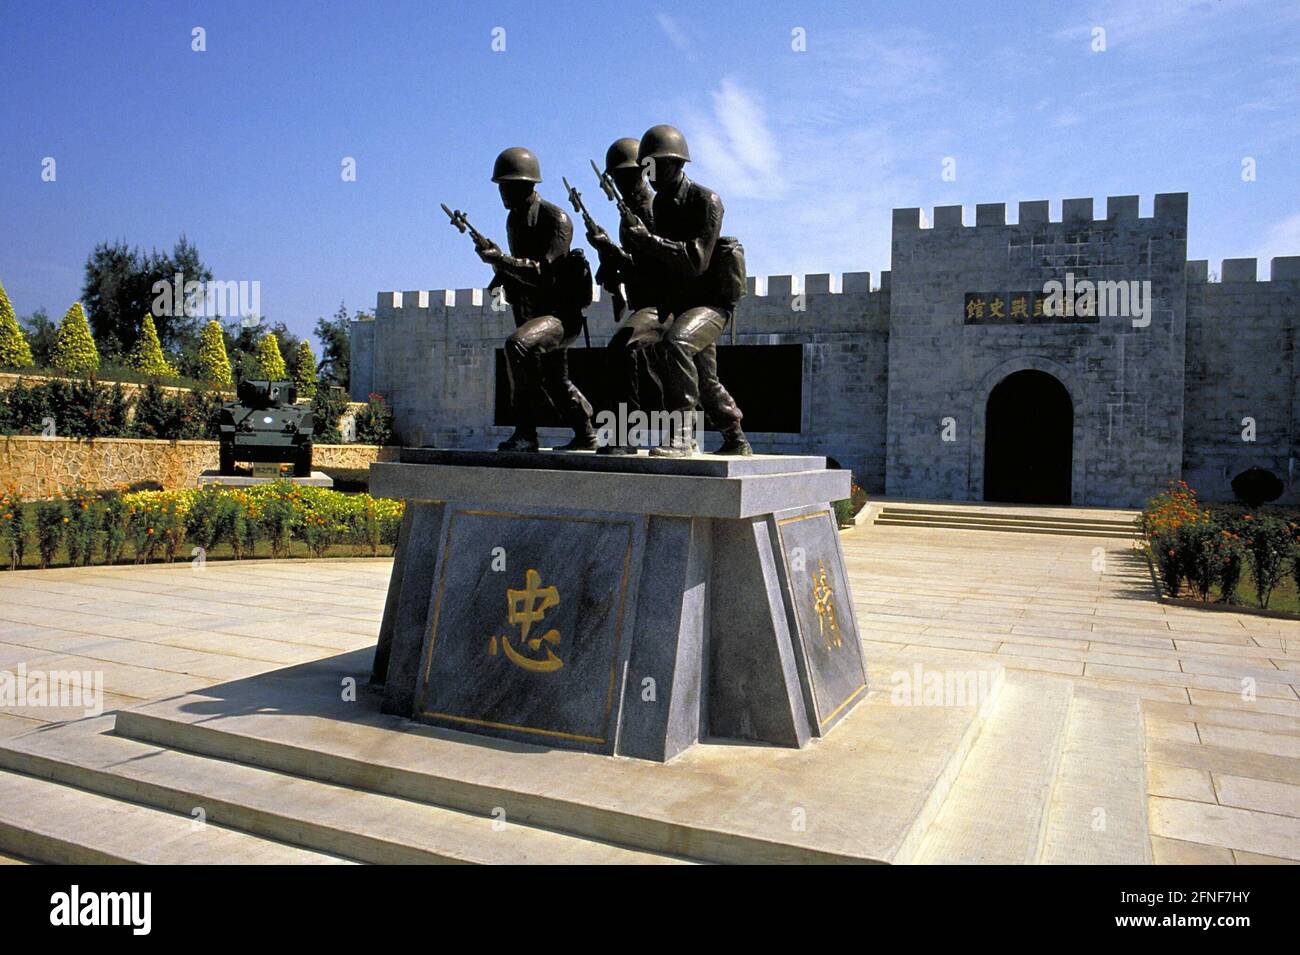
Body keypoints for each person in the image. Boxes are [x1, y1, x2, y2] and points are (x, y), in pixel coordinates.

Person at [623, 125, 751, 456]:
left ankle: (682, 436)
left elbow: (696, 259)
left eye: (656, 165)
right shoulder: (660, 205)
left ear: (677, 164)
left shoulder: (706, 201)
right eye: (646, 165)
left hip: (710, 304)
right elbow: (658, 263)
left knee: (675, 344)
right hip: (676, 303)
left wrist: (647, 241)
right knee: (702, 378)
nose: (648, 173)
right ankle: (736, 438)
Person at [476, 147, 596, 452]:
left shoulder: (556, 218)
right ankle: (586, 431)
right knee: (555, 381)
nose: (502, 191)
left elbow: (544, 272)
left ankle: (526, 433)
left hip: (560, 315)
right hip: (530, 312)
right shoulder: (513, 220)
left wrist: (502, 261)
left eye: (508, 184)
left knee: (518, 346)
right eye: (500, 185)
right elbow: (517, 267)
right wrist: (496, 268)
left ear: (526, 184)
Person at [585, 137, 662, 455]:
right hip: (642, 302)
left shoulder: (654, 209)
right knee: (660, 374)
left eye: (626, 175)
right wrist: (608, 257)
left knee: (621, 347)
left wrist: (610, 250)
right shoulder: (627, 212)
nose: (620, 182)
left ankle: (624, 435)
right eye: (616, 177)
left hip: (664, 303)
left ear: (643, 172)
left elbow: (656, 267)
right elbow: (630, 268)